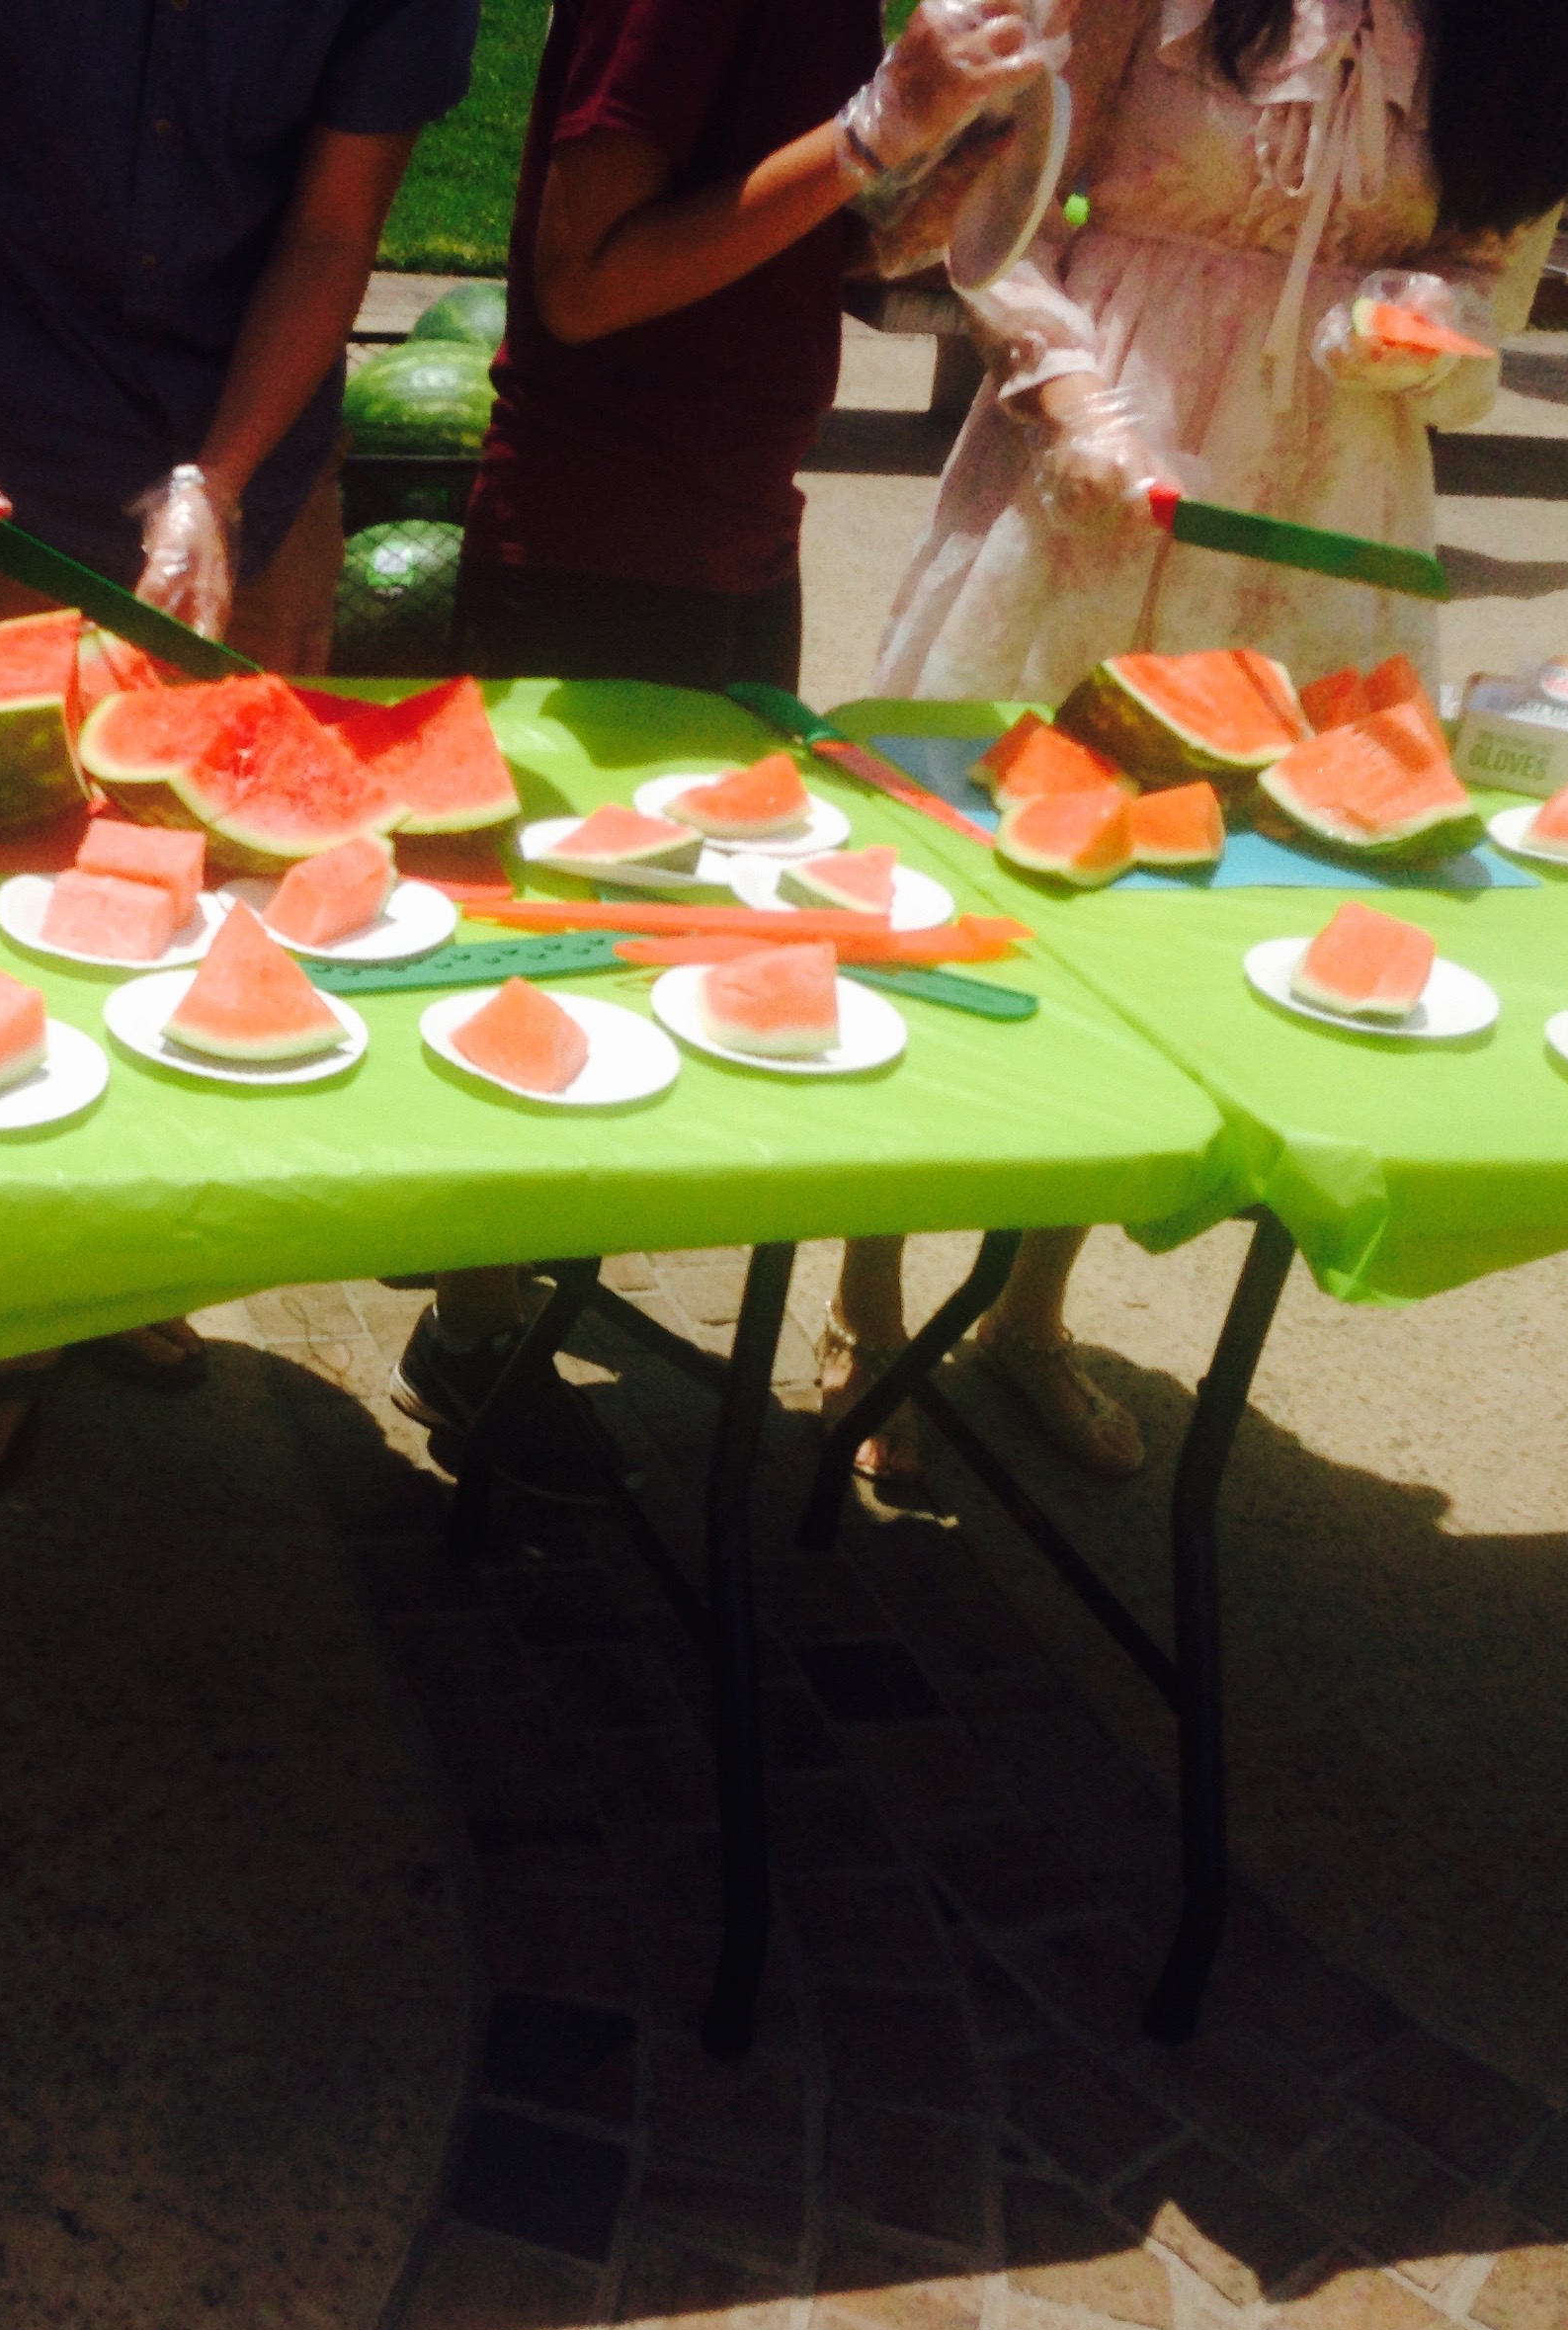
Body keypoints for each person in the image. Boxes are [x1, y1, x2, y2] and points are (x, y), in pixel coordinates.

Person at [825, 0, 1568, 1483]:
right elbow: (999, 216)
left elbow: (1485, 274)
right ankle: (865, 1301)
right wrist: (1071, 402)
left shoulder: (1520, 24)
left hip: (1325, 503)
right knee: (977, 884)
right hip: (1091, 463)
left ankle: (1030, 1307)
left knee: (1189, 919)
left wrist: (1426, 332)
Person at [0, 0, 482, 1490]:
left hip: (250, 454)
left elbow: (335, 226)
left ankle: (120, 1264)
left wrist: (223, 477)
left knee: (193, 928)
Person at [402, 0, 1060, 1495]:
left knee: (667, 961)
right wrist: (862, 139)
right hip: (603, 549)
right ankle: (471, 1325)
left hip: (740, 535)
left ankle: (516, 1273)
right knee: (549, 966)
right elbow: (585, 280)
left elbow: (756, 228)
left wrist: (907, 205)